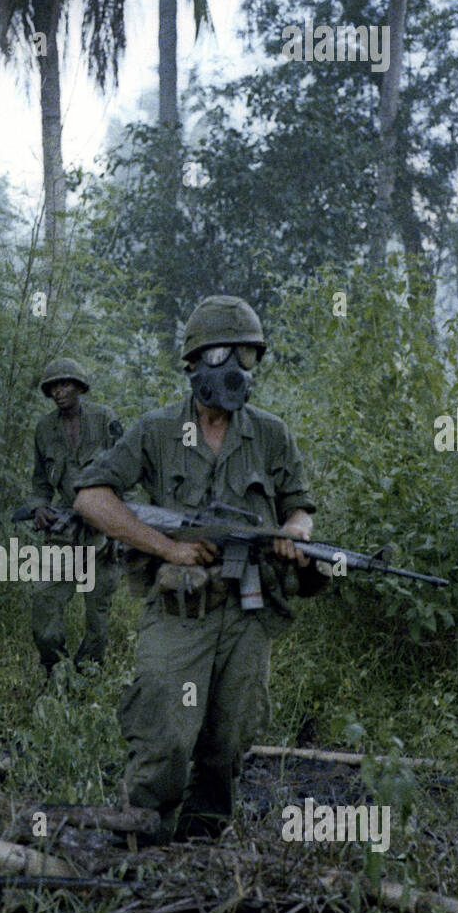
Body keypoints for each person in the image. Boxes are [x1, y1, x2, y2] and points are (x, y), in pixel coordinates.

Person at [72, 296, 319, 845]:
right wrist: (167, 547)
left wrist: (296, 533)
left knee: (230, 735)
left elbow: (299, 504)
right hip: (179, 610)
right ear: (193, 363)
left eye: (246, 357)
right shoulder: (158, 430)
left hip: (248, 612)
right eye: (220, 355)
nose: (233, 369)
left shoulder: (270, 434)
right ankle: (142, 835)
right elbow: (92, 497)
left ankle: (205, 842)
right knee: (165, 731)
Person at [26, 357, 123, 676]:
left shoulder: (103, 419)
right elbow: (40, 482)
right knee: (44, 596)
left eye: (65, 384)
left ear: (80, 387)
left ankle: (90, 669)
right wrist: (39, 507)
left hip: (103, 526)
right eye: (53, 386)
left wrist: (122, 530)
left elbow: (124, 473)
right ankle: (55, 667)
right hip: (65, 528)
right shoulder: (44, 429)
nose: (59, 391)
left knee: (97, 609)